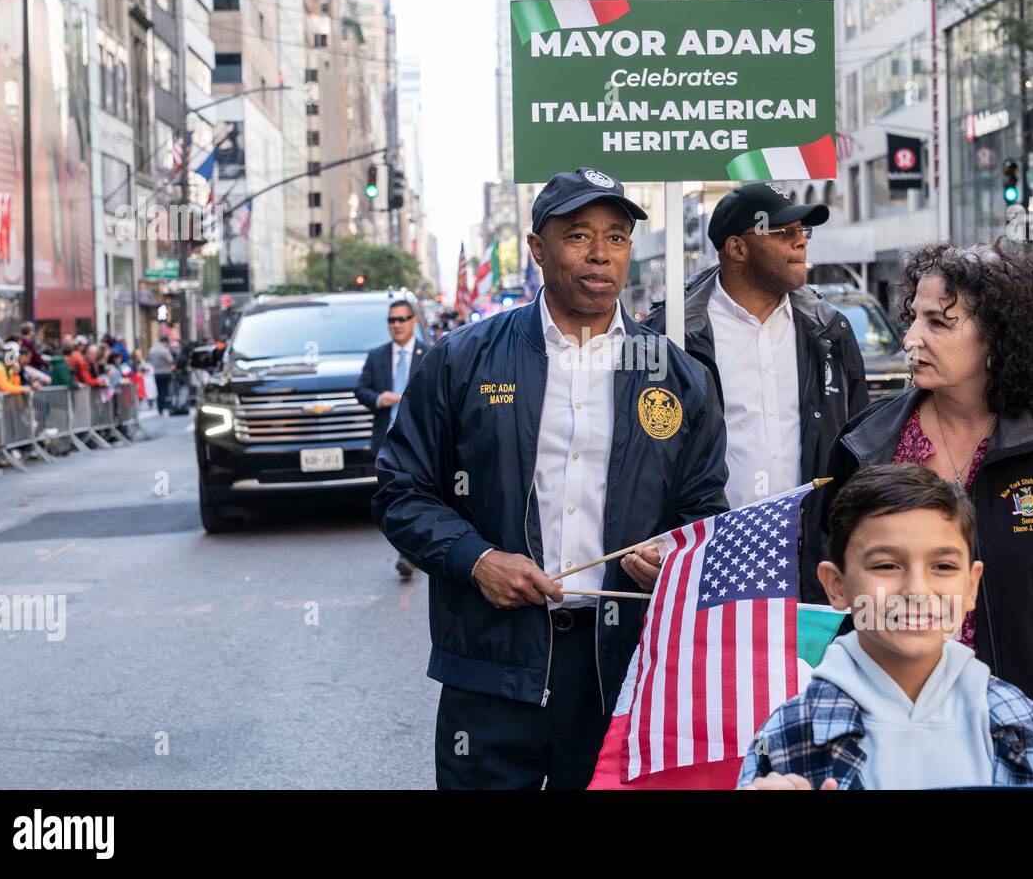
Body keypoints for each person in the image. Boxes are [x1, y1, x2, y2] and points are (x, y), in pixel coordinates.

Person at [372, 167, 729, 790]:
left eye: (616, 237)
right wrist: (477, 559)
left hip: (623, 667)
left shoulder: (676, 374)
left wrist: (669, 556)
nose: (600, 254)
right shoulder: (462, 359)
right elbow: (400, 490)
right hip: (492, 664)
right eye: (579, 235)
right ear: (537, 249)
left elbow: (702, 508)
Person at [808, 242, 1033, 761]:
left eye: (939, 323)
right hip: (889, 738)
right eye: (913, 318)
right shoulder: (864, 444)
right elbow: (826, 593)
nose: (912, 338)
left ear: (998, 339)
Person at [740, 465, 1033, 791]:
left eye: (943, 567)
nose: (917, 590)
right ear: (837, 585)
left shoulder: (1021, 721)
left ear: (971, 585)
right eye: (886, 565)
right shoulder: (788, 736)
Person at [643, 182, 868, 574]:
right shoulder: (673, 333)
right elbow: (645, 457)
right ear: (737, 249)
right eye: (784, 233)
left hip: (813, 560)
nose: (800, 243)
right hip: (710, 559)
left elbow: (861, 446)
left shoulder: (831, 331)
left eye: (803, 232)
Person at [356, 295, 428, 579]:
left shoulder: (429, 353)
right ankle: (406, 549)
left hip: (418, 441)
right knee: (394, 500)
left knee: (416, 496)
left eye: (401, 319)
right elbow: (360, 390)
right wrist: (379, 398)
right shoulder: (377, 356)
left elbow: (439, 395)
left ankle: (408, 554)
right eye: (391, 320)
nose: (396, 325)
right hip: (386, 441)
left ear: (412, 322)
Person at [149, 337, 175, 415]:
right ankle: (165, 408)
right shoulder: (165, 351)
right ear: (165, 342)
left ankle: (160, 410)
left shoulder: (152, 350)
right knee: (165, 392)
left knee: (159, 391)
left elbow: (150, 361)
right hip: (165, 372)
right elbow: (170, 361)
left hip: (156, 372)